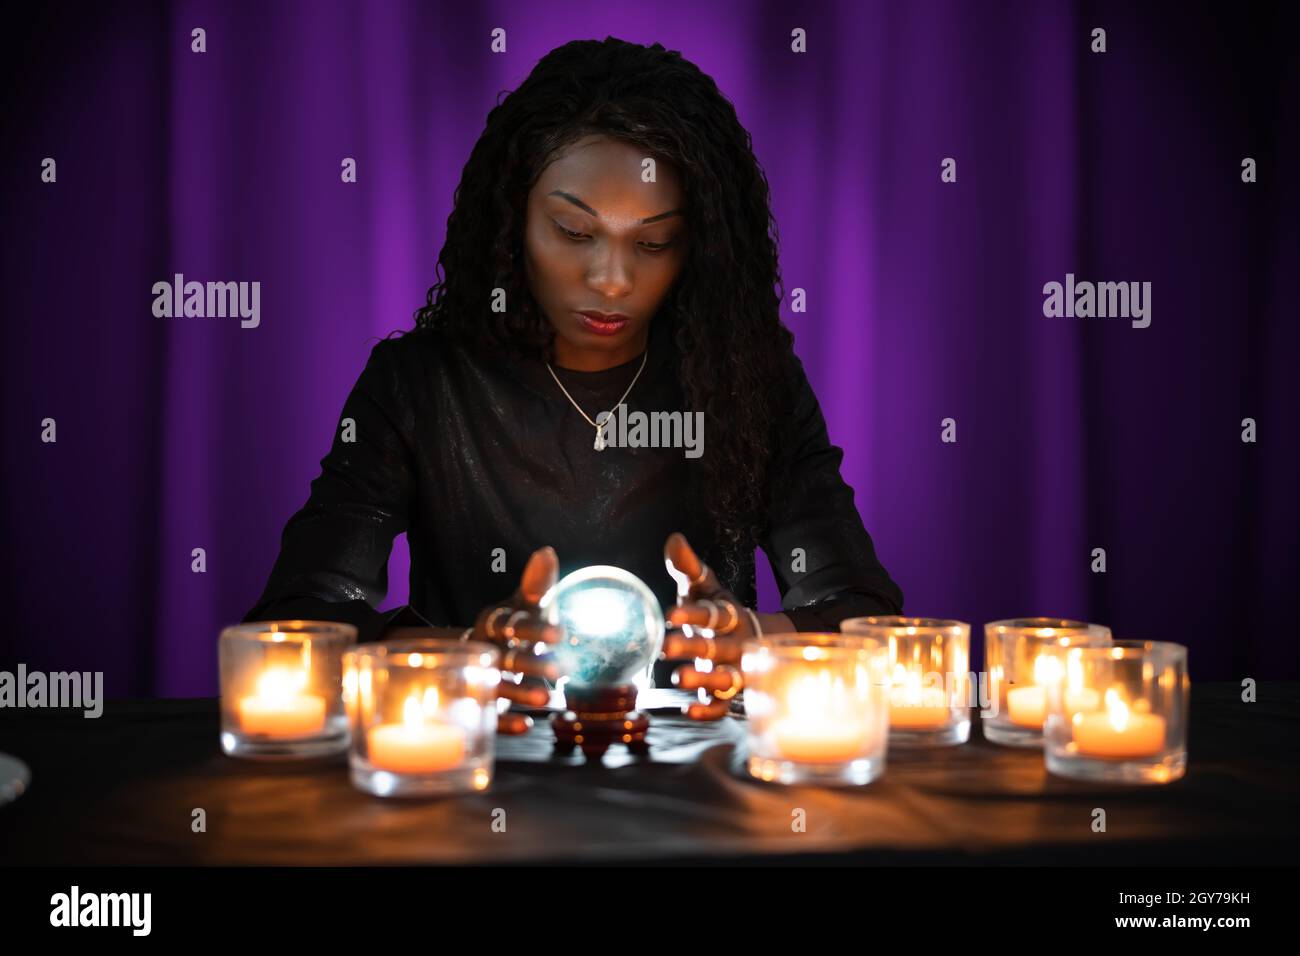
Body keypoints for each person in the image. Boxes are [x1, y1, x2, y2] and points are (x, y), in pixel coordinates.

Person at [242, 37, 903, 732]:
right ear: (512, 223)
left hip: (701, 793)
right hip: (475, 787)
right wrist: (462, 657)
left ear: (698, 246)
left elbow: (869, 621)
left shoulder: (749, 384)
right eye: (573, 230)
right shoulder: (419, 387)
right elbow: (291, 629)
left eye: (652, 243)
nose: (612, 279)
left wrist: (759, 645)